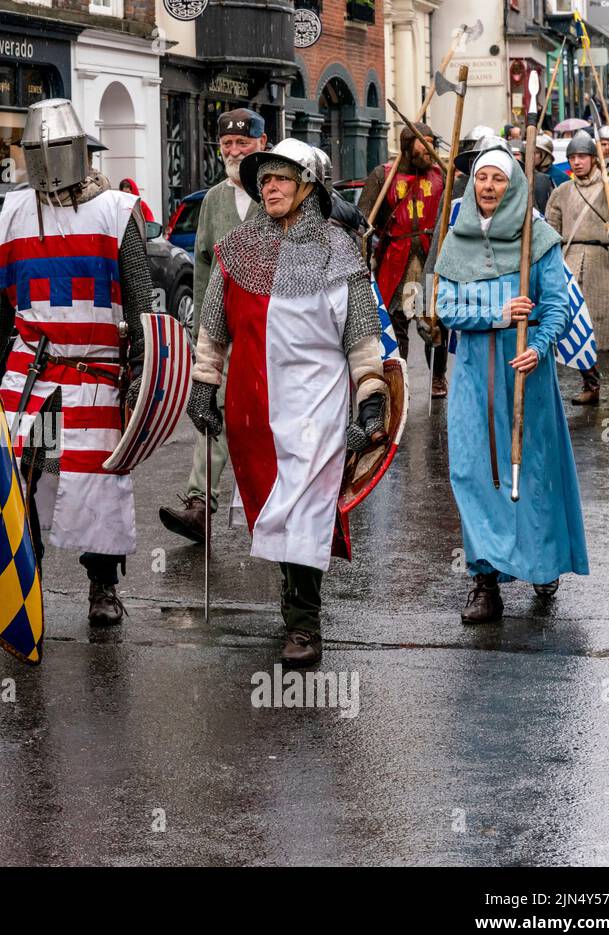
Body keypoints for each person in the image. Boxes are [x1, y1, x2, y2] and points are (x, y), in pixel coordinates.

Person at [188, 139, 388, 667]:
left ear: (307, 188)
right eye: (264, 180)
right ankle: (291, 599)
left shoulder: (337, 251)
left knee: (306, 510)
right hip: (254, 407)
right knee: (272, 511)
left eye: (281, 178)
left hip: (316, 403)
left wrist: (370, 397)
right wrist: (203, 383)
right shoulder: (238, 251)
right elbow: (213, 330)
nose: (270, 187)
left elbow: (362, 338)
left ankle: (304, 625)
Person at [0, 98, 154, 627]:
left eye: (55, 149)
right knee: (19, 482)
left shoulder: (117, 211)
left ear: (78, 150)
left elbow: (141, 304)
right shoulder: (14, 209)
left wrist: (144, 370)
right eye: (37, 151)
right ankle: (20, 584)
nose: (47, 162)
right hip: (30, 370)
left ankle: (102, 586)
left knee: (95, 483)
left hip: (94, 371)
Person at [433, 144, 588, 622]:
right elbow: (445, 308)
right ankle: (485, 582)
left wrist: (539, 346)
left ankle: (541, 563)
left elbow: (558, 306)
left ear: (514, 185)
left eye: (499, 179)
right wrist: (496, 314)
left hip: (526, 372)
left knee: (532, 471)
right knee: (474, 473)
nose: (488, 187)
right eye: (482, 179)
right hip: (475, 376)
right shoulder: (456, 239)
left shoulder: (536, 237)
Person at [158, 108, 266, 543]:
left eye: (243, 144)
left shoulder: (279, 188)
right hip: (226, 328)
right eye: (228, 146)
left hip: (273, 331)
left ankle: (277, 507)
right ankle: (201, 504)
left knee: (266, 418)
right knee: (213, 410)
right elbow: (203, 267)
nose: (235, 151)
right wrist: (205, 332)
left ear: (262, 143)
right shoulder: (215, 201)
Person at [545, 130, 609, 402]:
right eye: (572, 157)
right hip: (572, 262)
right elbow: (551, 232)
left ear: (594, 159)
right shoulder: (561, 192)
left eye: (582, 157)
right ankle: (591, 384)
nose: (576, 162)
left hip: (605, 262)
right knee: (578, 327)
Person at [360, 123, 445, 390]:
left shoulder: (441, 175)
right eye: (423, 142)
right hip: (395, 258)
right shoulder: (382, 176)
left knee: (434, 321)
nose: (429, 148)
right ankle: (400, 379)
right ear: (408, 146)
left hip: (431, 255)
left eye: (432, 141)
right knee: (396, 325)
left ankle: (438, 377)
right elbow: (362, 219)